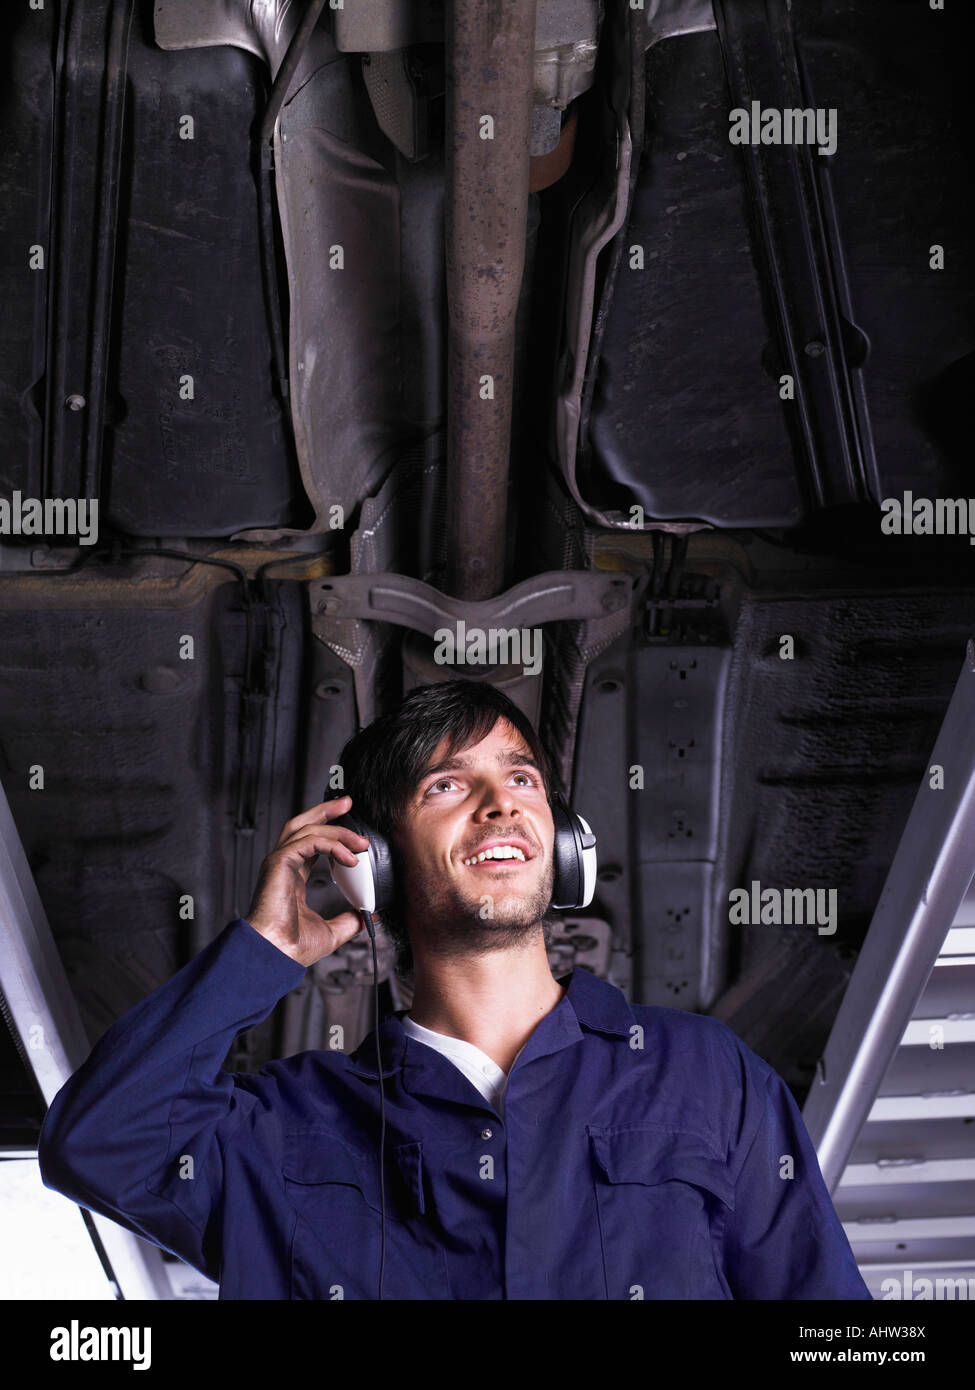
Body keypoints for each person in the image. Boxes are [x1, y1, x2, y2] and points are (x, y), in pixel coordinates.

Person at [38, 679, 872, 1300]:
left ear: (564, 842)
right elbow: (100, 1143)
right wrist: (261, 952)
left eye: (522, 780)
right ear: (370, 856)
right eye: (447, 785)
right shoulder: (280, 1127)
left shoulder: (701, 1074)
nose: (499, 805)